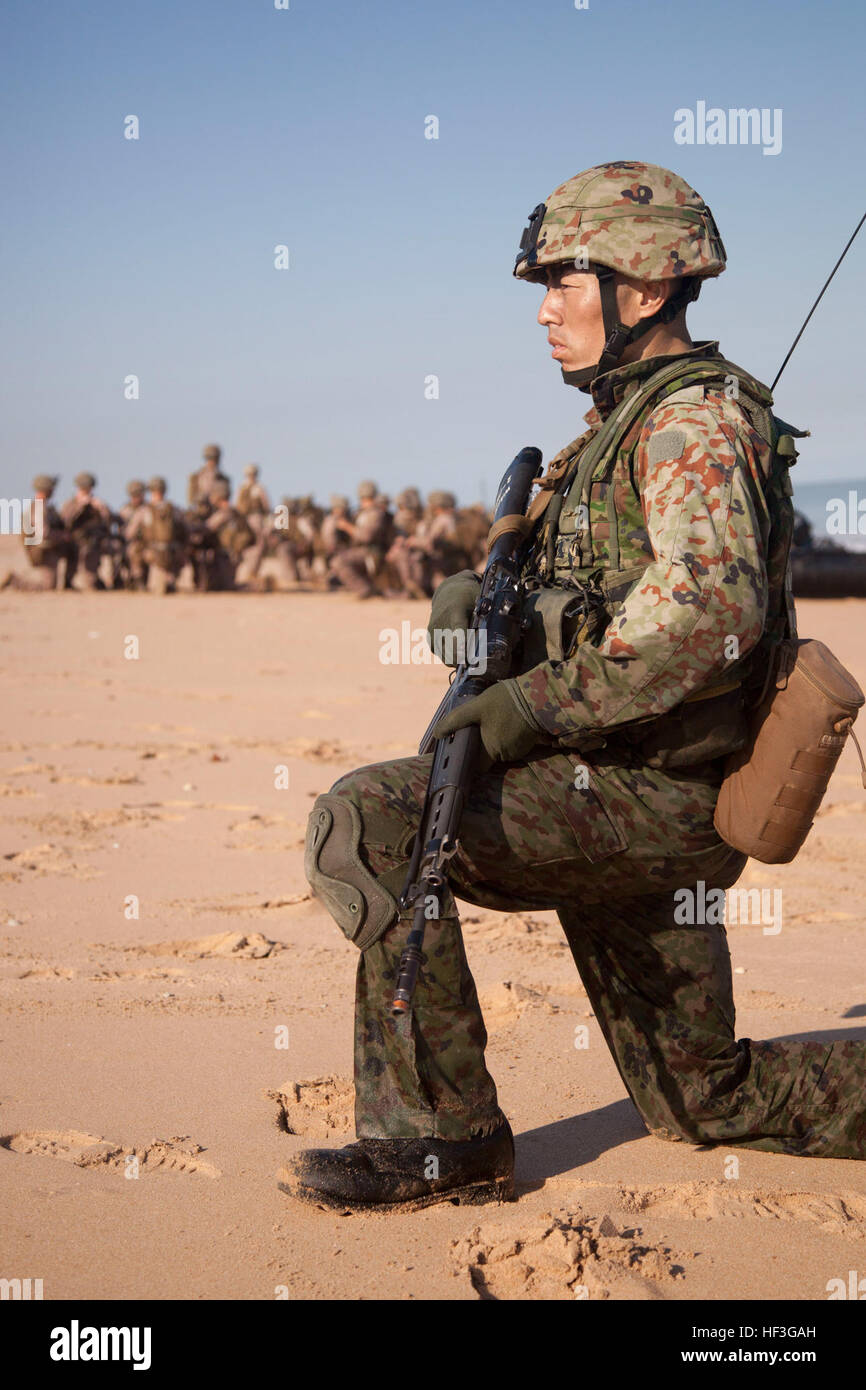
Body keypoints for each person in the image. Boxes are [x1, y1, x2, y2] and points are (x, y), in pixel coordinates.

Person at [279, 160, 860, 1217]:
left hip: (653, 799)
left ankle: (437, 1144)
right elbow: (609, 597)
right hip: (629, 790)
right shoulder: (620, 425)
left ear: (640, 291)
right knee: (704, 1101)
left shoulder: (689, 423)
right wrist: (488, 607)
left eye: (564, 283)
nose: (545, 311)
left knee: (373, 820)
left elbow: (707, 614)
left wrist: (525, 708)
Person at [0, 475, 72, 592]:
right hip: (44, 549)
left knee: (50, 584)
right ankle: (15, 580)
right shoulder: (39, 507)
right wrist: (62, 536)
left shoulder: (41, 506)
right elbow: (43, 533)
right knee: (47, 585)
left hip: (47, 548)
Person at [124, 477, 188, 593]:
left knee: (133, 550)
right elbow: (185, 529)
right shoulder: (174, 509)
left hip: (151, 552)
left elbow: (129, 534)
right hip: (171, 551)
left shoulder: (144, 510)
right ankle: (171, 581)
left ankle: (140, 582)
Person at [330, 480, 393, 598]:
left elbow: (366, 536)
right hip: (361, 551)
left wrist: (346, 526)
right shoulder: (360, 512)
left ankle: (364, 589)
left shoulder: (376, 513)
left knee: (338, 561)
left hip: (372, 552)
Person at [60, 472, 113, 590]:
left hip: (93, 543)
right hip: (74, 543)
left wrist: (101, 507)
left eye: (88, 488)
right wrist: (79, 506)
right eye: (83, 488)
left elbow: (108, 520)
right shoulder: (70, 503)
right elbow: (65, 521)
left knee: (91, 583)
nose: (86, 491)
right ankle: (69, 580)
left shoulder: (97, 503)